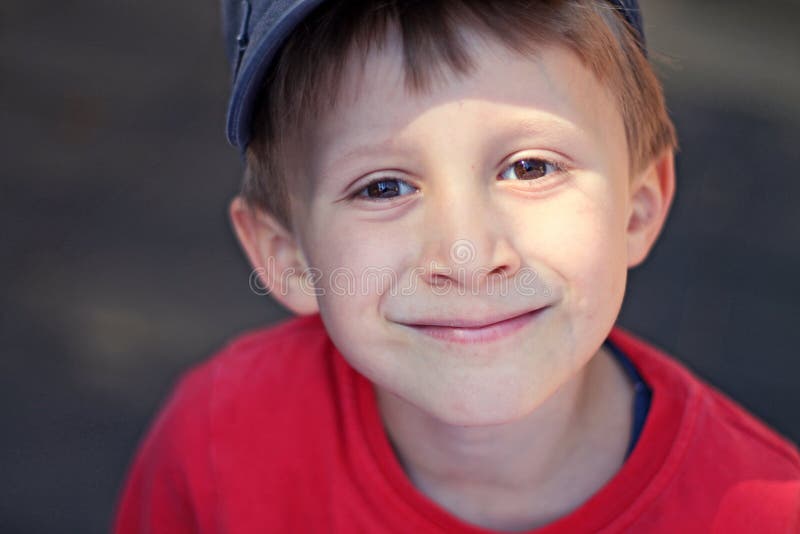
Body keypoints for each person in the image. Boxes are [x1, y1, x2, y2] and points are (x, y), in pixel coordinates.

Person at [113, 1, 800, 532]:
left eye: (530, 167)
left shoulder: (765, 514)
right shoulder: (216, 441)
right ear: (288, 257)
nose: (466, 256)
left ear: (636, 211)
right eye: (383, 187)